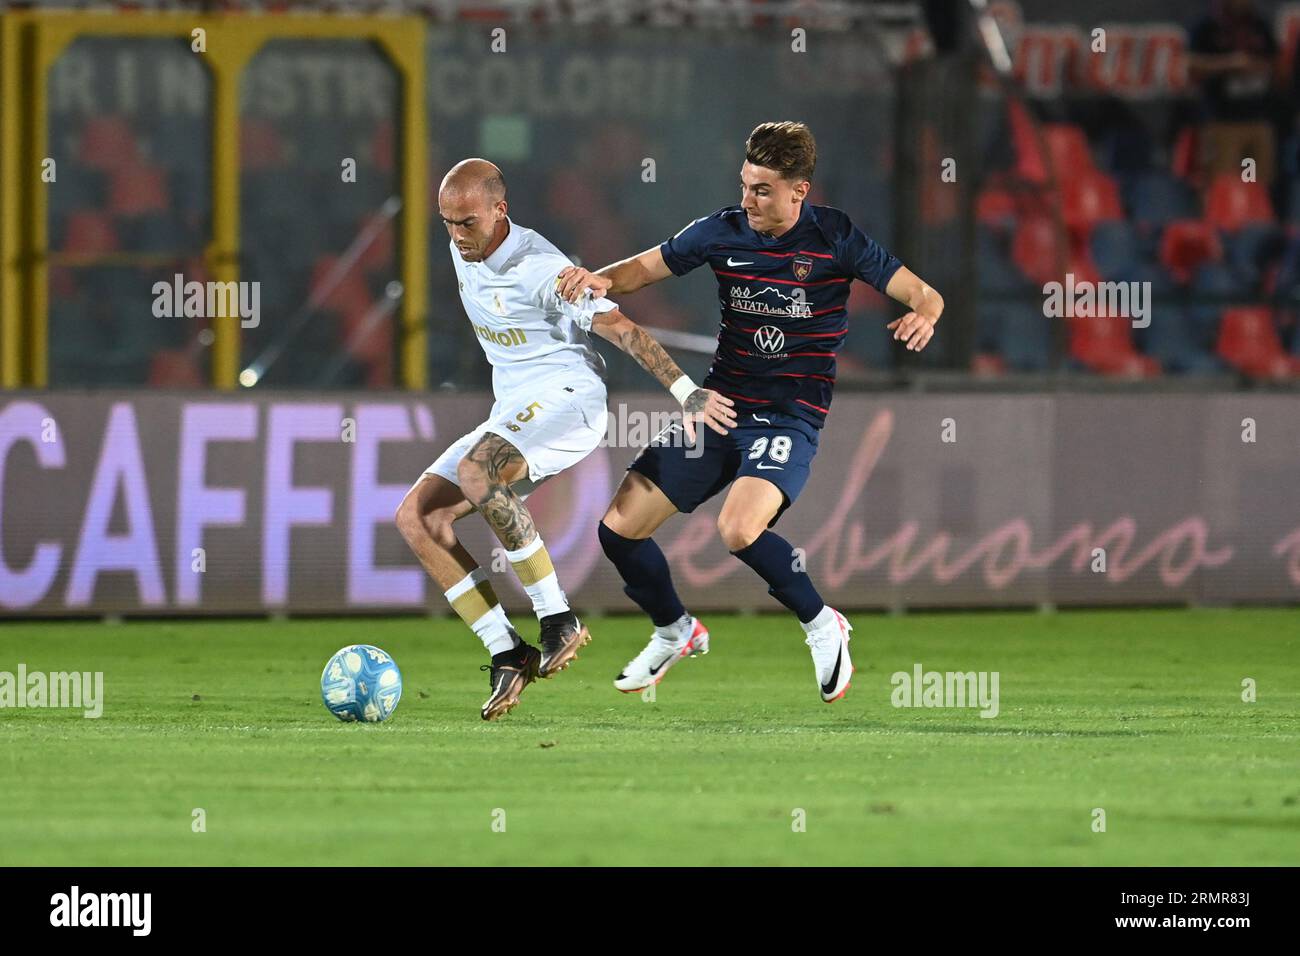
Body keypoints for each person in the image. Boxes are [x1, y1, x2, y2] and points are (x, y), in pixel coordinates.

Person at [556, 122, 944, 703]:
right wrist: (599, 278)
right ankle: (675, 630)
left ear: (799, 190)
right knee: (618, 531)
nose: (747, 200)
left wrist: (926, 313)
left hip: (790, 415)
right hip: (720, 408)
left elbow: (922, 291)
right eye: (744, 185)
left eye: (762, 190)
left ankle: (822, 624)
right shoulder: (721, 231)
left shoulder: (835, 236)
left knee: (738, 528)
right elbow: (646, 268)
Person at [395, 158, 734, 720]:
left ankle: (558, 618)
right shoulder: (466, 245)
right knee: (418, 519)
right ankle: (507, 651)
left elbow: (620, 327)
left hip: (569, 400)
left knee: (480, 473)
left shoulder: (540, 267)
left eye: (468, 223)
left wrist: (685, 392)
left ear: (501, 211)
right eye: (447, 224)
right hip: (515, 411)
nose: (457, 236)